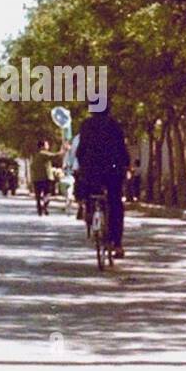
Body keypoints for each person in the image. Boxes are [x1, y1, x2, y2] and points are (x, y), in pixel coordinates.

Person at [76, 106, 131, 258]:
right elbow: (122, 149)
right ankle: (117, 244)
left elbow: (80, 150)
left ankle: (88, 212)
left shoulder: (86, 125)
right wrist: (126, 165)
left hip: (91, 171)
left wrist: (82, 165)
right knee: (116, 204)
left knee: (88, 190)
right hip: (113, 171)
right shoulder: (115, 125)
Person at [29, 137, 60, 215]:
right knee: (47, 194)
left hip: (36, 178)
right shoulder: (44, 153)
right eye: (47, 144)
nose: (48, 145)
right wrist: (63, 151)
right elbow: (55, 156)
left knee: (38, 196)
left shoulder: (35, 155)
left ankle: (40, 208)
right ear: (42, 146)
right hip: (45, 178)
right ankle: (44, 207)